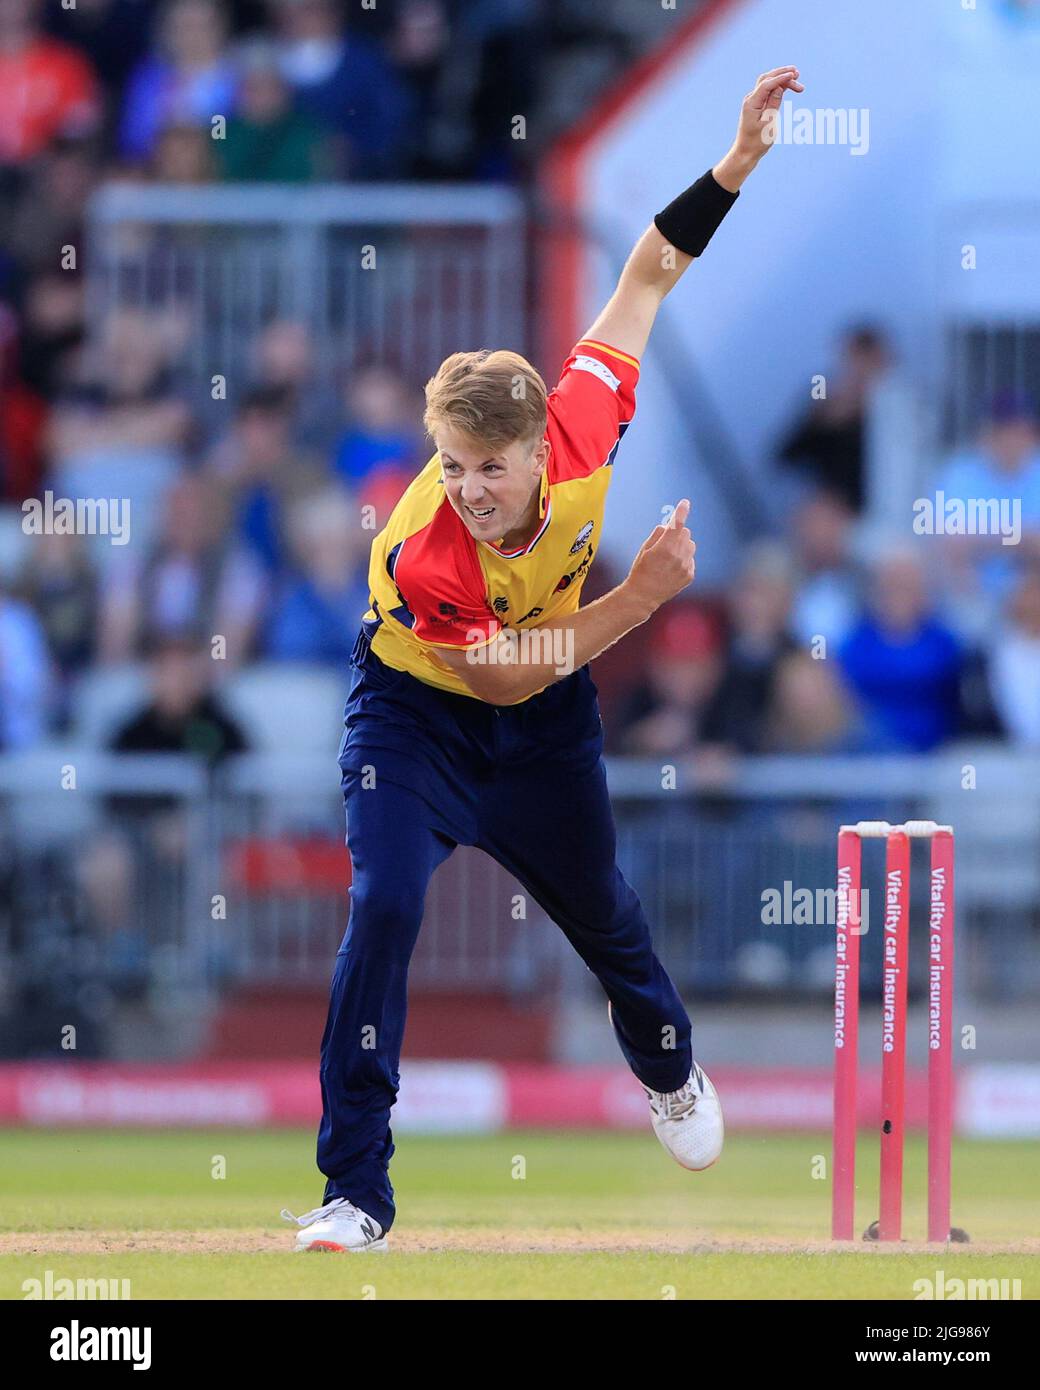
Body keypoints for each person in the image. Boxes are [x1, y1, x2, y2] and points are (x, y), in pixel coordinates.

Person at [281, 66, 805, 1253]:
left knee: (605, 919)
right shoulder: (427, 557)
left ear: (535, 446)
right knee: (386, 903)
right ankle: (355, 1189)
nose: (468, 491)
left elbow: (647, 274)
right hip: (418, 715)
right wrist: (643, 597)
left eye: (488, 468)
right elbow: (503, 671)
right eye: (451, 465)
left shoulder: (580, 417)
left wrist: (732, 166)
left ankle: (667, 1069)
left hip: (544, 728)